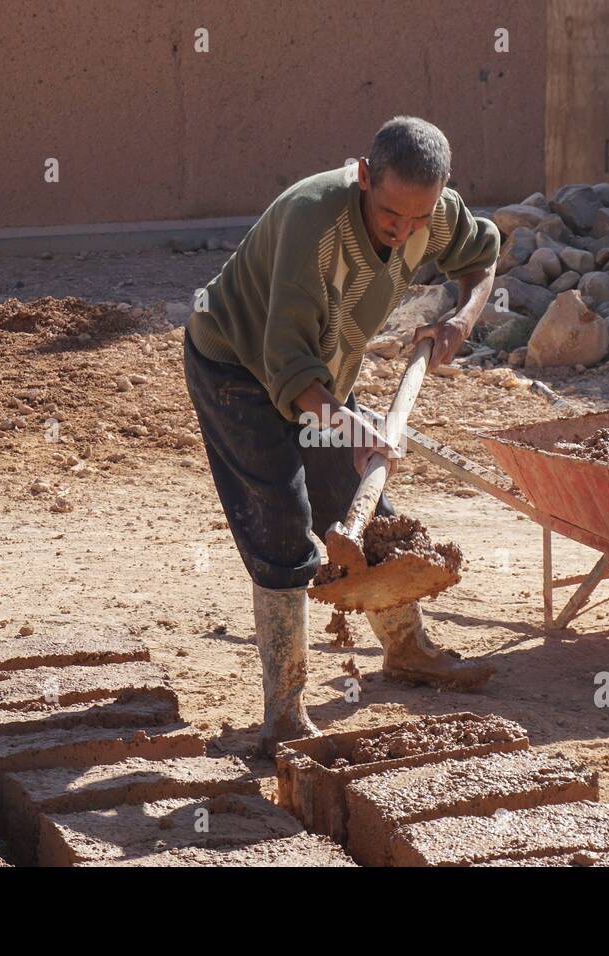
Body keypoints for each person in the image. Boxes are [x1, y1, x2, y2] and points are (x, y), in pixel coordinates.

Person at [183, 116, 500, 755]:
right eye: (391, 215)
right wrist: (345, 423)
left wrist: (460, 320)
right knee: (282, 523)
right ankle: (285, 710)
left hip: (322, 367)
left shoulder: (429, 211)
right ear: (363, 176)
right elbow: (286, 365)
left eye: (420, 218)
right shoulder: (313, 225)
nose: (406, 230)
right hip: (240, 369)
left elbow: (481, 259)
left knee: (364, 511)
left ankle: (408, 650)